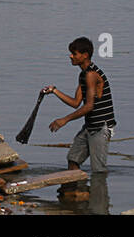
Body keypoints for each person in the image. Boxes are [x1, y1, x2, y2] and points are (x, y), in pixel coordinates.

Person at [45, 36, 116, 174]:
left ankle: (98, 193)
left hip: (101, 127)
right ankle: (79, 193)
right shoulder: (83, 74)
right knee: (73, 160)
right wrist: (54, 91)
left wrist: (64, 120)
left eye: (74, 54)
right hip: (90, 126)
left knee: (98, 170)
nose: (71, 56)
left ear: (85, 55)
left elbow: (89, 106)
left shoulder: (91, 75)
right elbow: (76, 103)